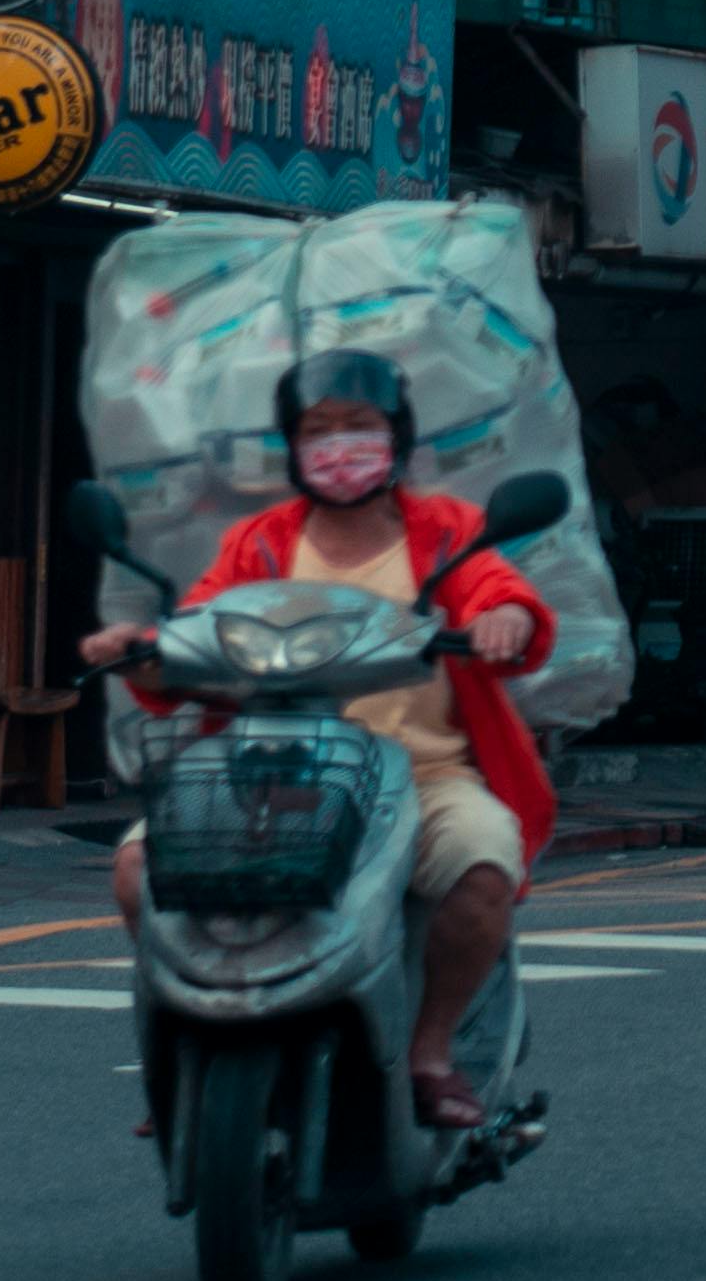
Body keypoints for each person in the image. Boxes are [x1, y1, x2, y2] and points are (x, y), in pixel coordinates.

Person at [88, 350, 554, 1132]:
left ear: (395, 436)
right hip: (268, 772)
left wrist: (506, 619)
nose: (340, 446)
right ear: (294, 446)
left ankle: (431, 1057)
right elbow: (197, 632)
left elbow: (503, 595)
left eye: (359, 426)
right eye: (320, 430)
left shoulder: (449, 532)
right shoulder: (257, 544)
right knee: (140, 867)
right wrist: (141, 649)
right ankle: (186, 1045)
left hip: (420, 776)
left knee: (483, 862)